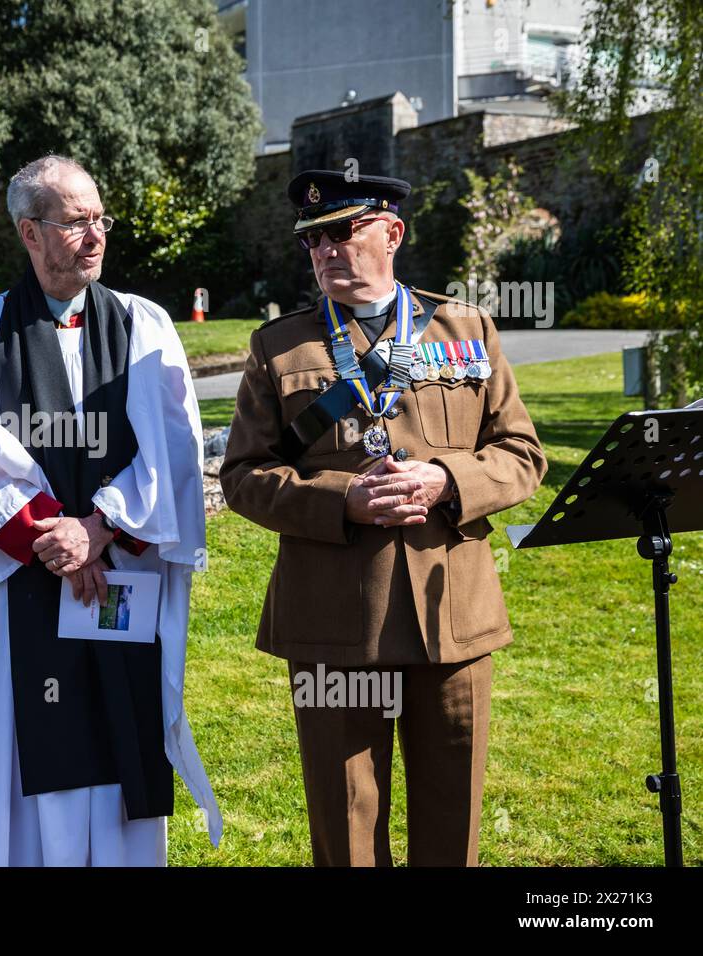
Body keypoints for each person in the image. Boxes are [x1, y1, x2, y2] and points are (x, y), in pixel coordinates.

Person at [219, 170, 547, 866]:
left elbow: (521, 454)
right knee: (347, 823)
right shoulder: (278, 348)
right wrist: (342, 500)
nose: (326, 251)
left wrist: (447, 478)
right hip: (334, 617)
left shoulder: (466, 328)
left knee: (450, 813)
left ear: (391, 233)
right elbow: (244, 477)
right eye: (313, 240)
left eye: (343, 231)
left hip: (449, 613)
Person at [0, 155, 221, 866]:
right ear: (30, 233)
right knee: (17, 737)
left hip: (121, 570)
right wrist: (55, 540)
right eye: (74, 222)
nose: (94, 234)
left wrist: (100, 527)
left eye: (99, 218)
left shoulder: (146, 325)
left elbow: (174, 449)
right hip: (20, 584)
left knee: (120, 728)